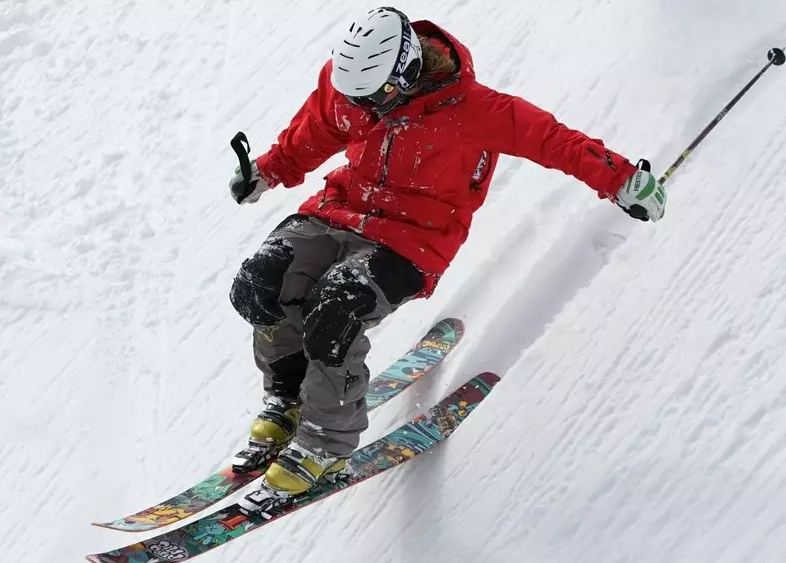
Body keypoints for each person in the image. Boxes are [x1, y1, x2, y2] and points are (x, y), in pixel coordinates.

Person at [227, 6, 666, 504]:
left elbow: (556, 142)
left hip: (411, 239)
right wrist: (268, 169)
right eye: (356, 97)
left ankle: (326, 441)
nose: (365, 107)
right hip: (340, 211)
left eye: (375, 96)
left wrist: (622, 178)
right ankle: (289, 394)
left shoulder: (476, 111)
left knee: (335, 308)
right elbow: (320, 126)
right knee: (260, 282)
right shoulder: (353, 85)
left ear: (406, 70)